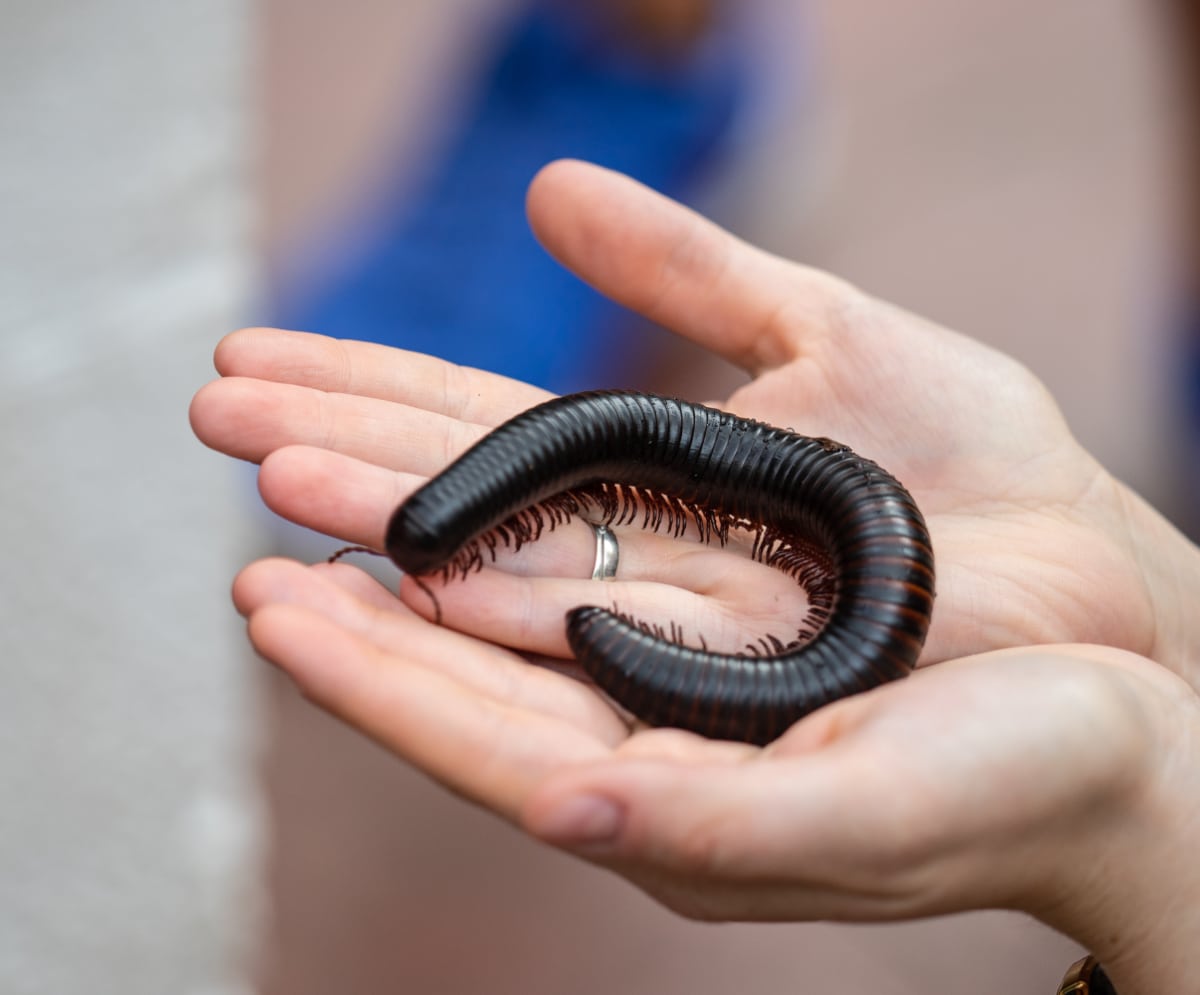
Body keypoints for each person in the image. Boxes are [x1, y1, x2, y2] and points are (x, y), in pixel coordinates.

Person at [190, 160, 1200, 994]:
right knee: (614, 445)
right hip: (837, 539)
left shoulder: (862, 544)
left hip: (856, 553)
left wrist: (1159, 810)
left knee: (621, 451)